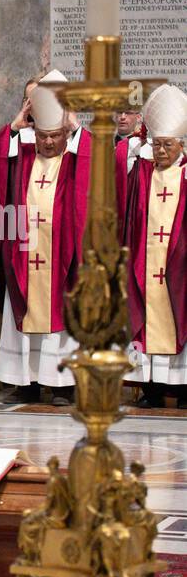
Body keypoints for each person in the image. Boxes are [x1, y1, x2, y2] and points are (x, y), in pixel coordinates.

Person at [0, 71, 89, 406]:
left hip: (60, 257)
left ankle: (60, 385)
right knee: (23, 309)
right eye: (43, 136)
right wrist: (12, 128)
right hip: (23, 255)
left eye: (56, 136)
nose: (49, 143)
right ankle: (25, 382)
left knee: (61, 314)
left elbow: (95, 166)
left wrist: (77, 128)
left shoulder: (73, 160)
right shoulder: (21, 157)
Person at [123, 83, 187, 408]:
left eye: (168, 145)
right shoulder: (143, 175)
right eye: (157, 145)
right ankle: (153, 388)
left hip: (180, 266)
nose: (161, 151)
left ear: (181, 145)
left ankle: (184, 389)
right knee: (148, 319)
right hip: (147, 264)